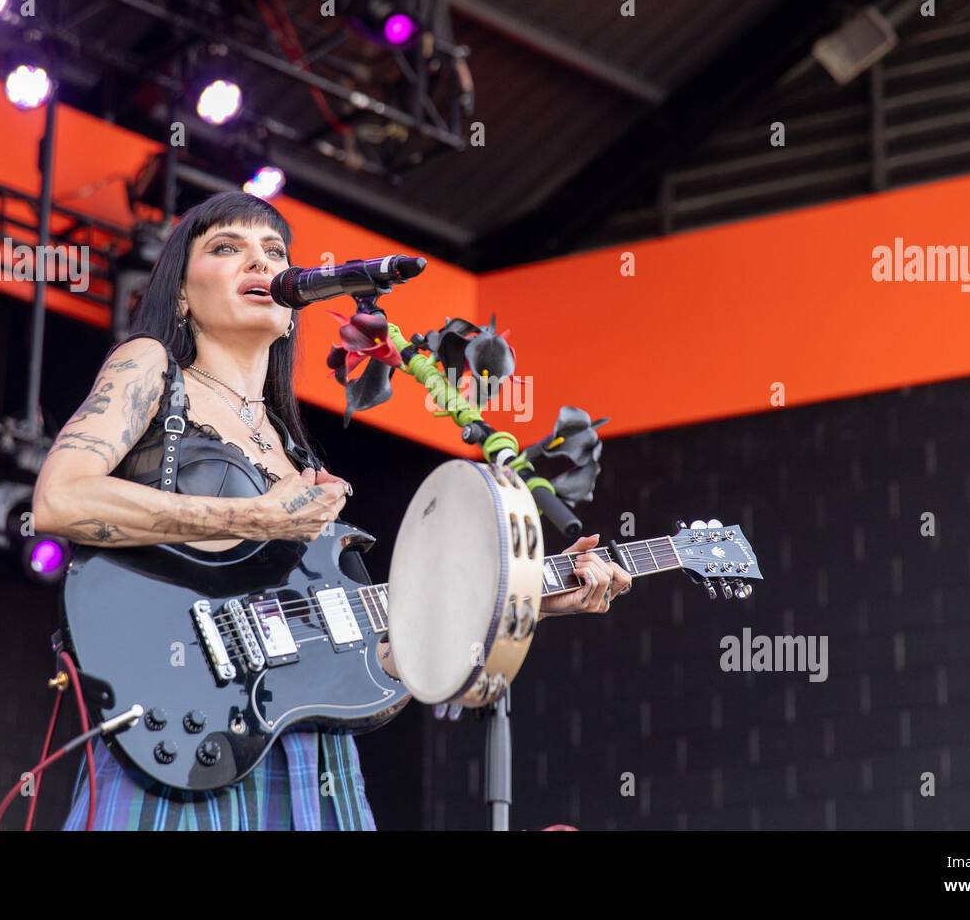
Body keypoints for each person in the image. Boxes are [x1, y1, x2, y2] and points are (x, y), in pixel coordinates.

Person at [32, 190, 631, 830]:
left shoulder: (294, 450)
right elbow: (59, 500)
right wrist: (254, 519)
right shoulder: (151, 367)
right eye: (226, 248)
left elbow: (377, 660)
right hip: (180, 737)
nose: (259, 264)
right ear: (180, 295)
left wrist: (521, 597)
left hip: (309, 763)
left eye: (274, 252)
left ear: (293, 312)